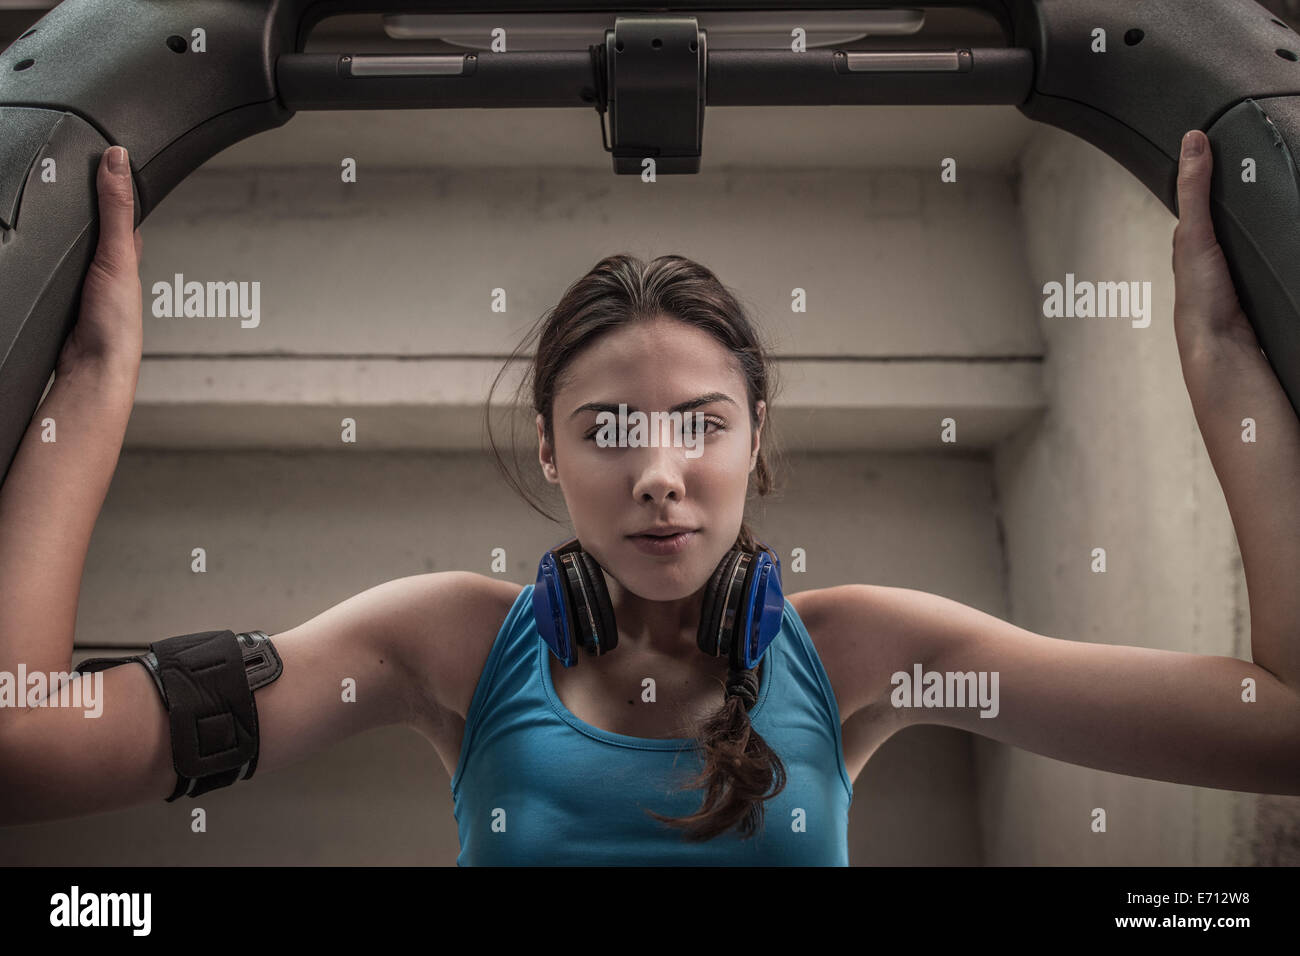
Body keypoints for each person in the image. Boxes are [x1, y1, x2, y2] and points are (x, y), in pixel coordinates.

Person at [0, 135, 1296, 865]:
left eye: (702, 425)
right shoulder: (449, 643)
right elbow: (24, 746)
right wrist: (98, 379)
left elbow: (1283, 730)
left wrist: (1230, 368)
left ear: (755, 442)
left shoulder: (866, 655)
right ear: (554, 457)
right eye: (612, 429)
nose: (661, 469)